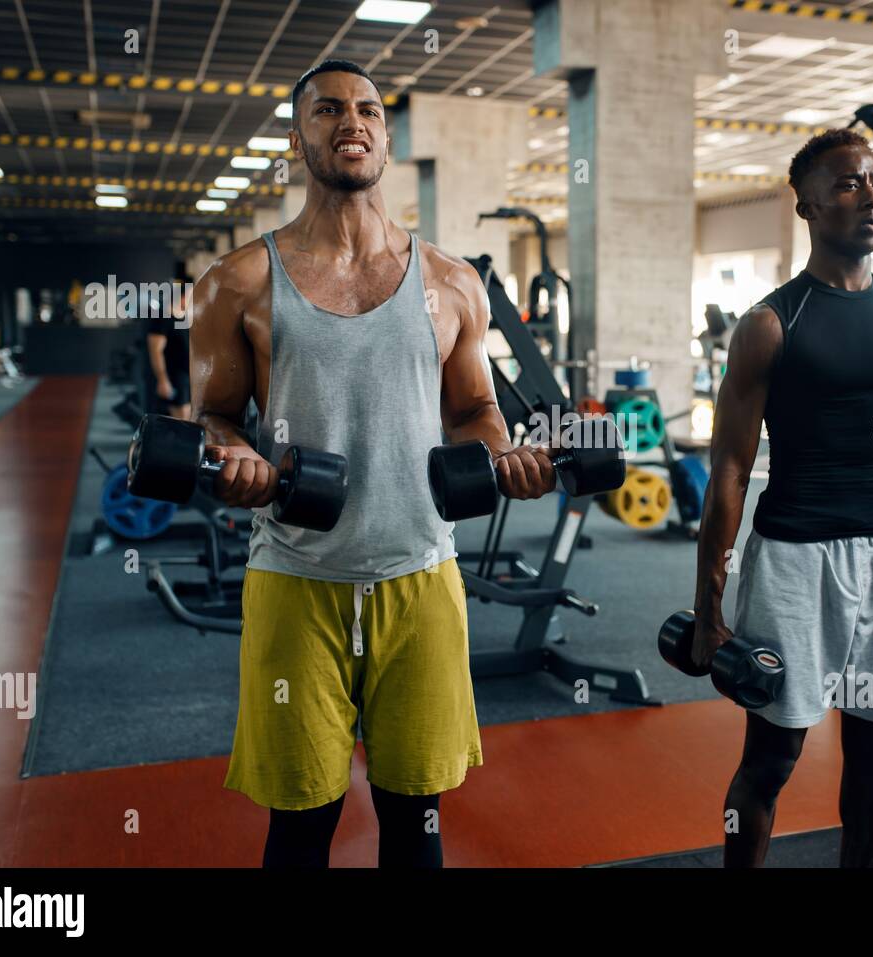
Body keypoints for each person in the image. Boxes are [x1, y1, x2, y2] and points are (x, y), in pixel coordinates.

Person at [188, 59, 557, 868]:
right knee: (301, 821)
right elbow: (213, 417)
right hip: (296, 579)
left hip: (421, 575)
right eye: (327, 110)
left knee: (414, 815)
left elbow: (475, 409)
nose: (350, 121)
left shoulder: (451, 282)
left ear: (386, 139)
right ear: (297, 139)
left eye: (368, 111)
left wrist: (506, 457)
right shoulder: (237, 282)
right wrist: (237, 456)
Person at [692, 128, 873, 868]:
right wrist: (710, 609)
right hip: (794, 563)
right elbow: (732, 473)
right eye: (846, 184)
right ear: (805, 206)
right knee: (771, 760)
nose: (868, 196)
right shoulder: (770, 325)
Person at [147, 276, 191, 420]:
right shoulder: (163, 317)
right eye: (190, 296)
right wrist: (163, 380)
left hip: (187, 376)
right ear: (181, 297)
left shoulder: (185, 318)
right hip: (174, 377)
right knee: (182, 421)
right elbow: (156, 352)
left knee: (190, 420)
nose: (193, 299)